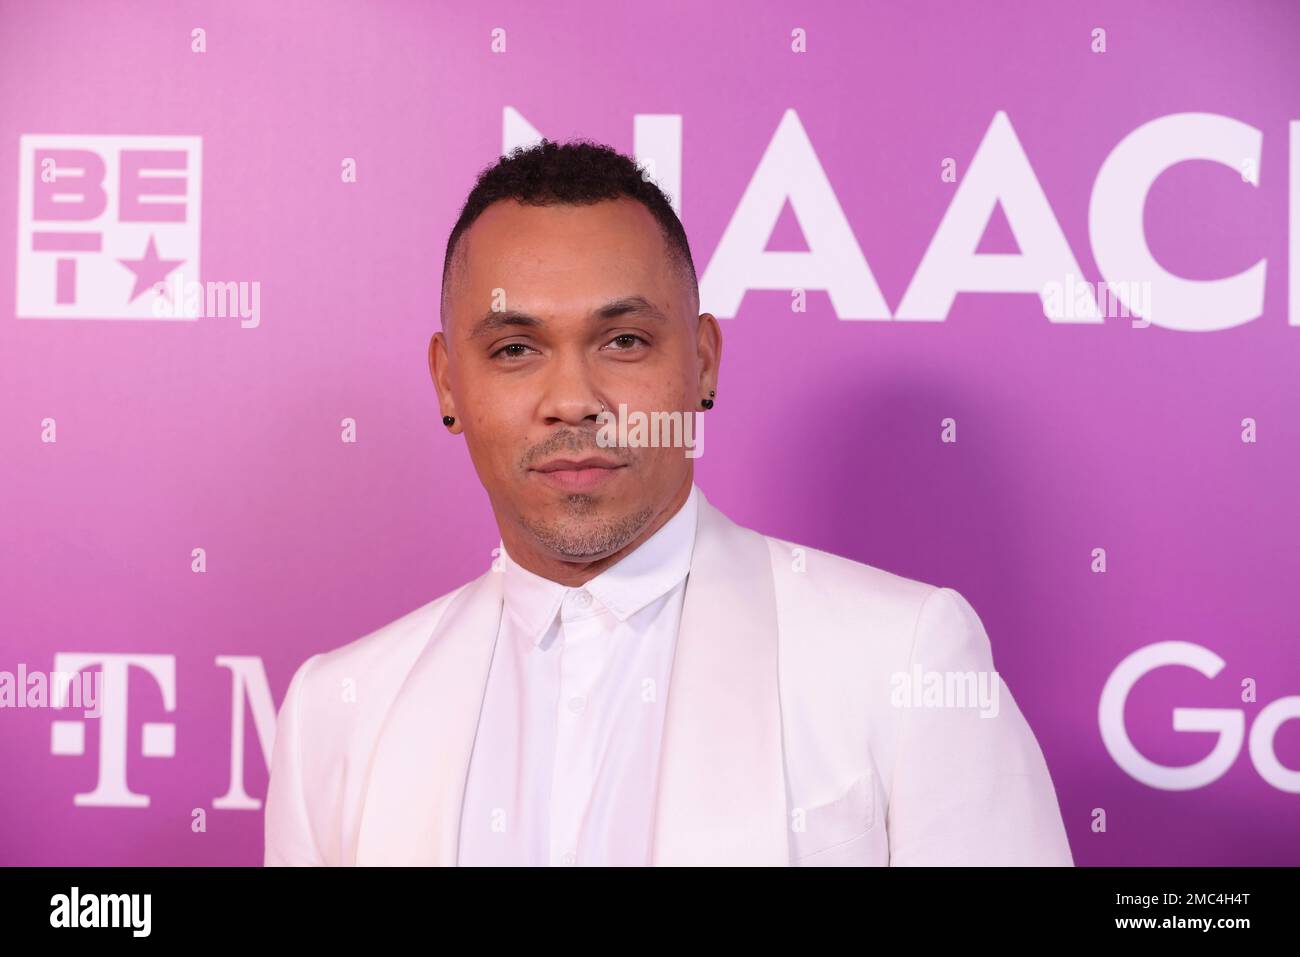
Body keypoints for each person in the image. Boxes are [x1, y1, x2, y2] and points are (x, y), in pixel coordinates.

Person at [263, 138, 1073, 867]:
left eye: (623, 341)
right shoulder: (338, 712)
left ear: (704, 360)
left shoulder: (904, 658)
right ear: (448, 381)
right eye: (515, 349)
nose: (573, 400)